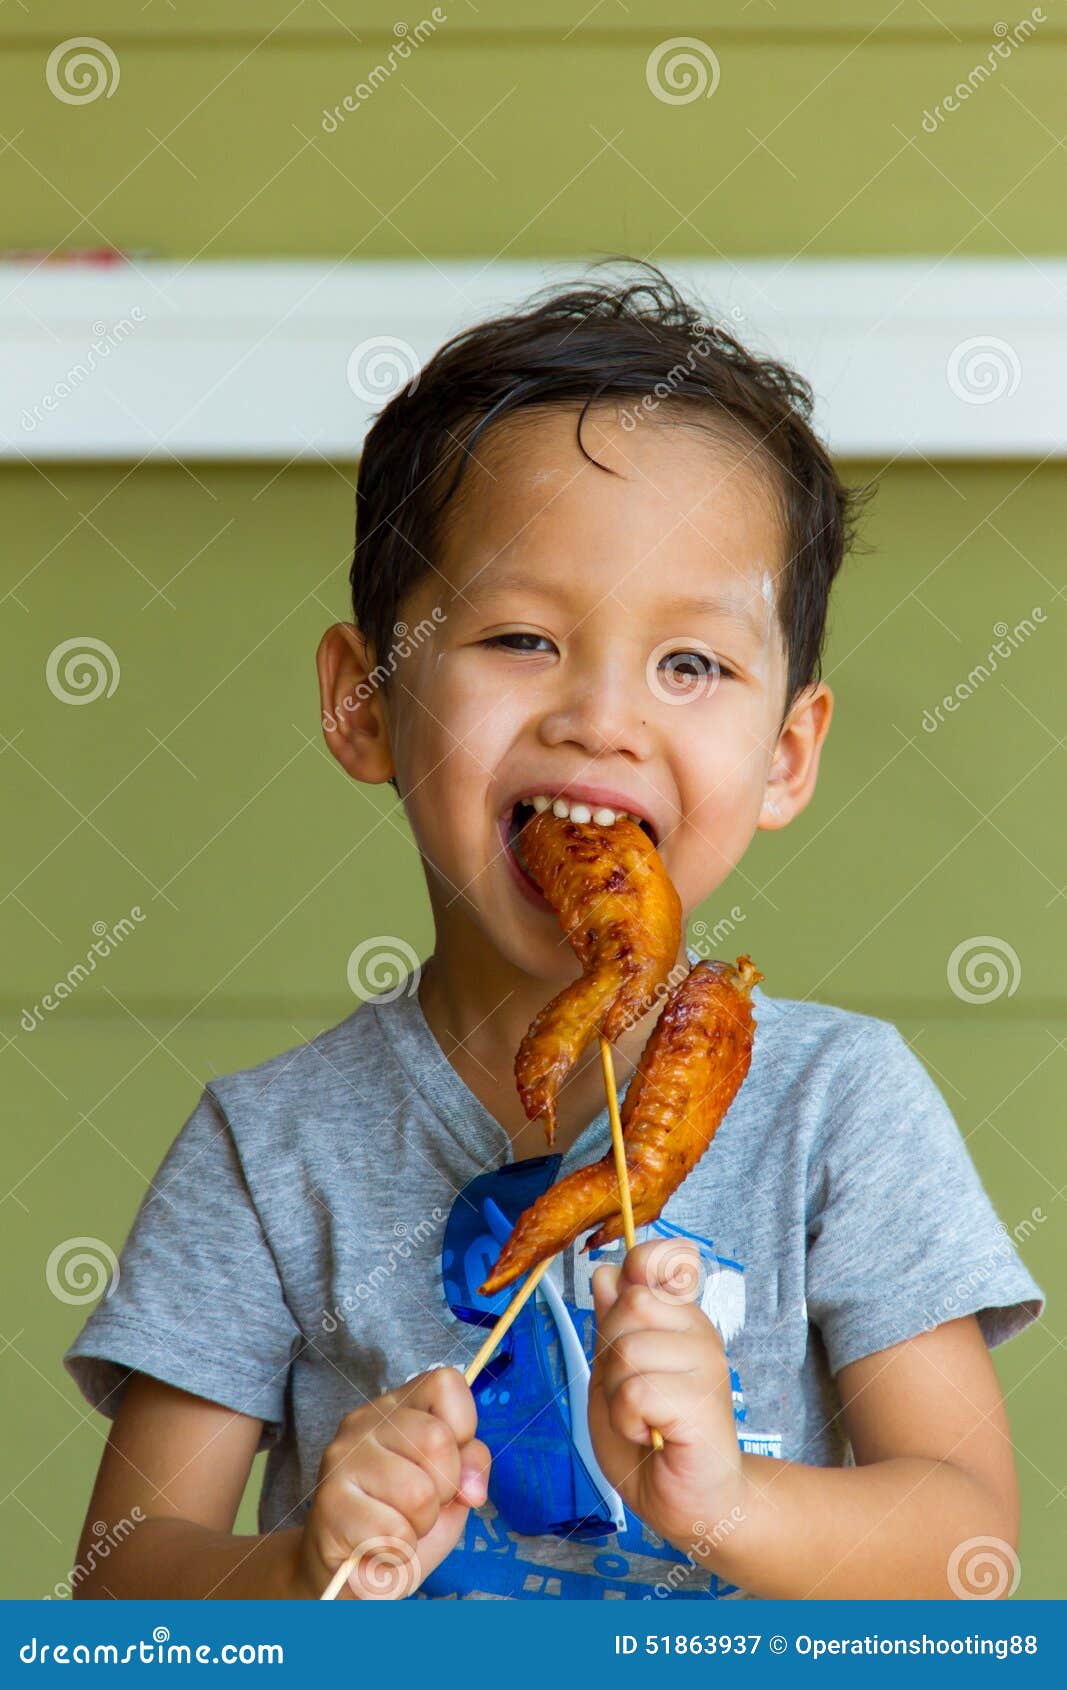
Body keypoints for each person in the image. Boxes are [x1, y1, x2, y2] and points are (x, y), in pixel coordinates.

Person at [65, 260, 1043, 1600]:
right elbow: (121, 1585)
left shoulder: (840, 1109)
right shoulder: (267, 1150)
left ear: (786, 755)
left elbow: (969, 1547)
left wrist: (732, 1502)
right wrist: (303, 1560)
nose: (602, 716)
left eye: (690, 663)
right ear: (365, 703)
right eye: (523, 636)